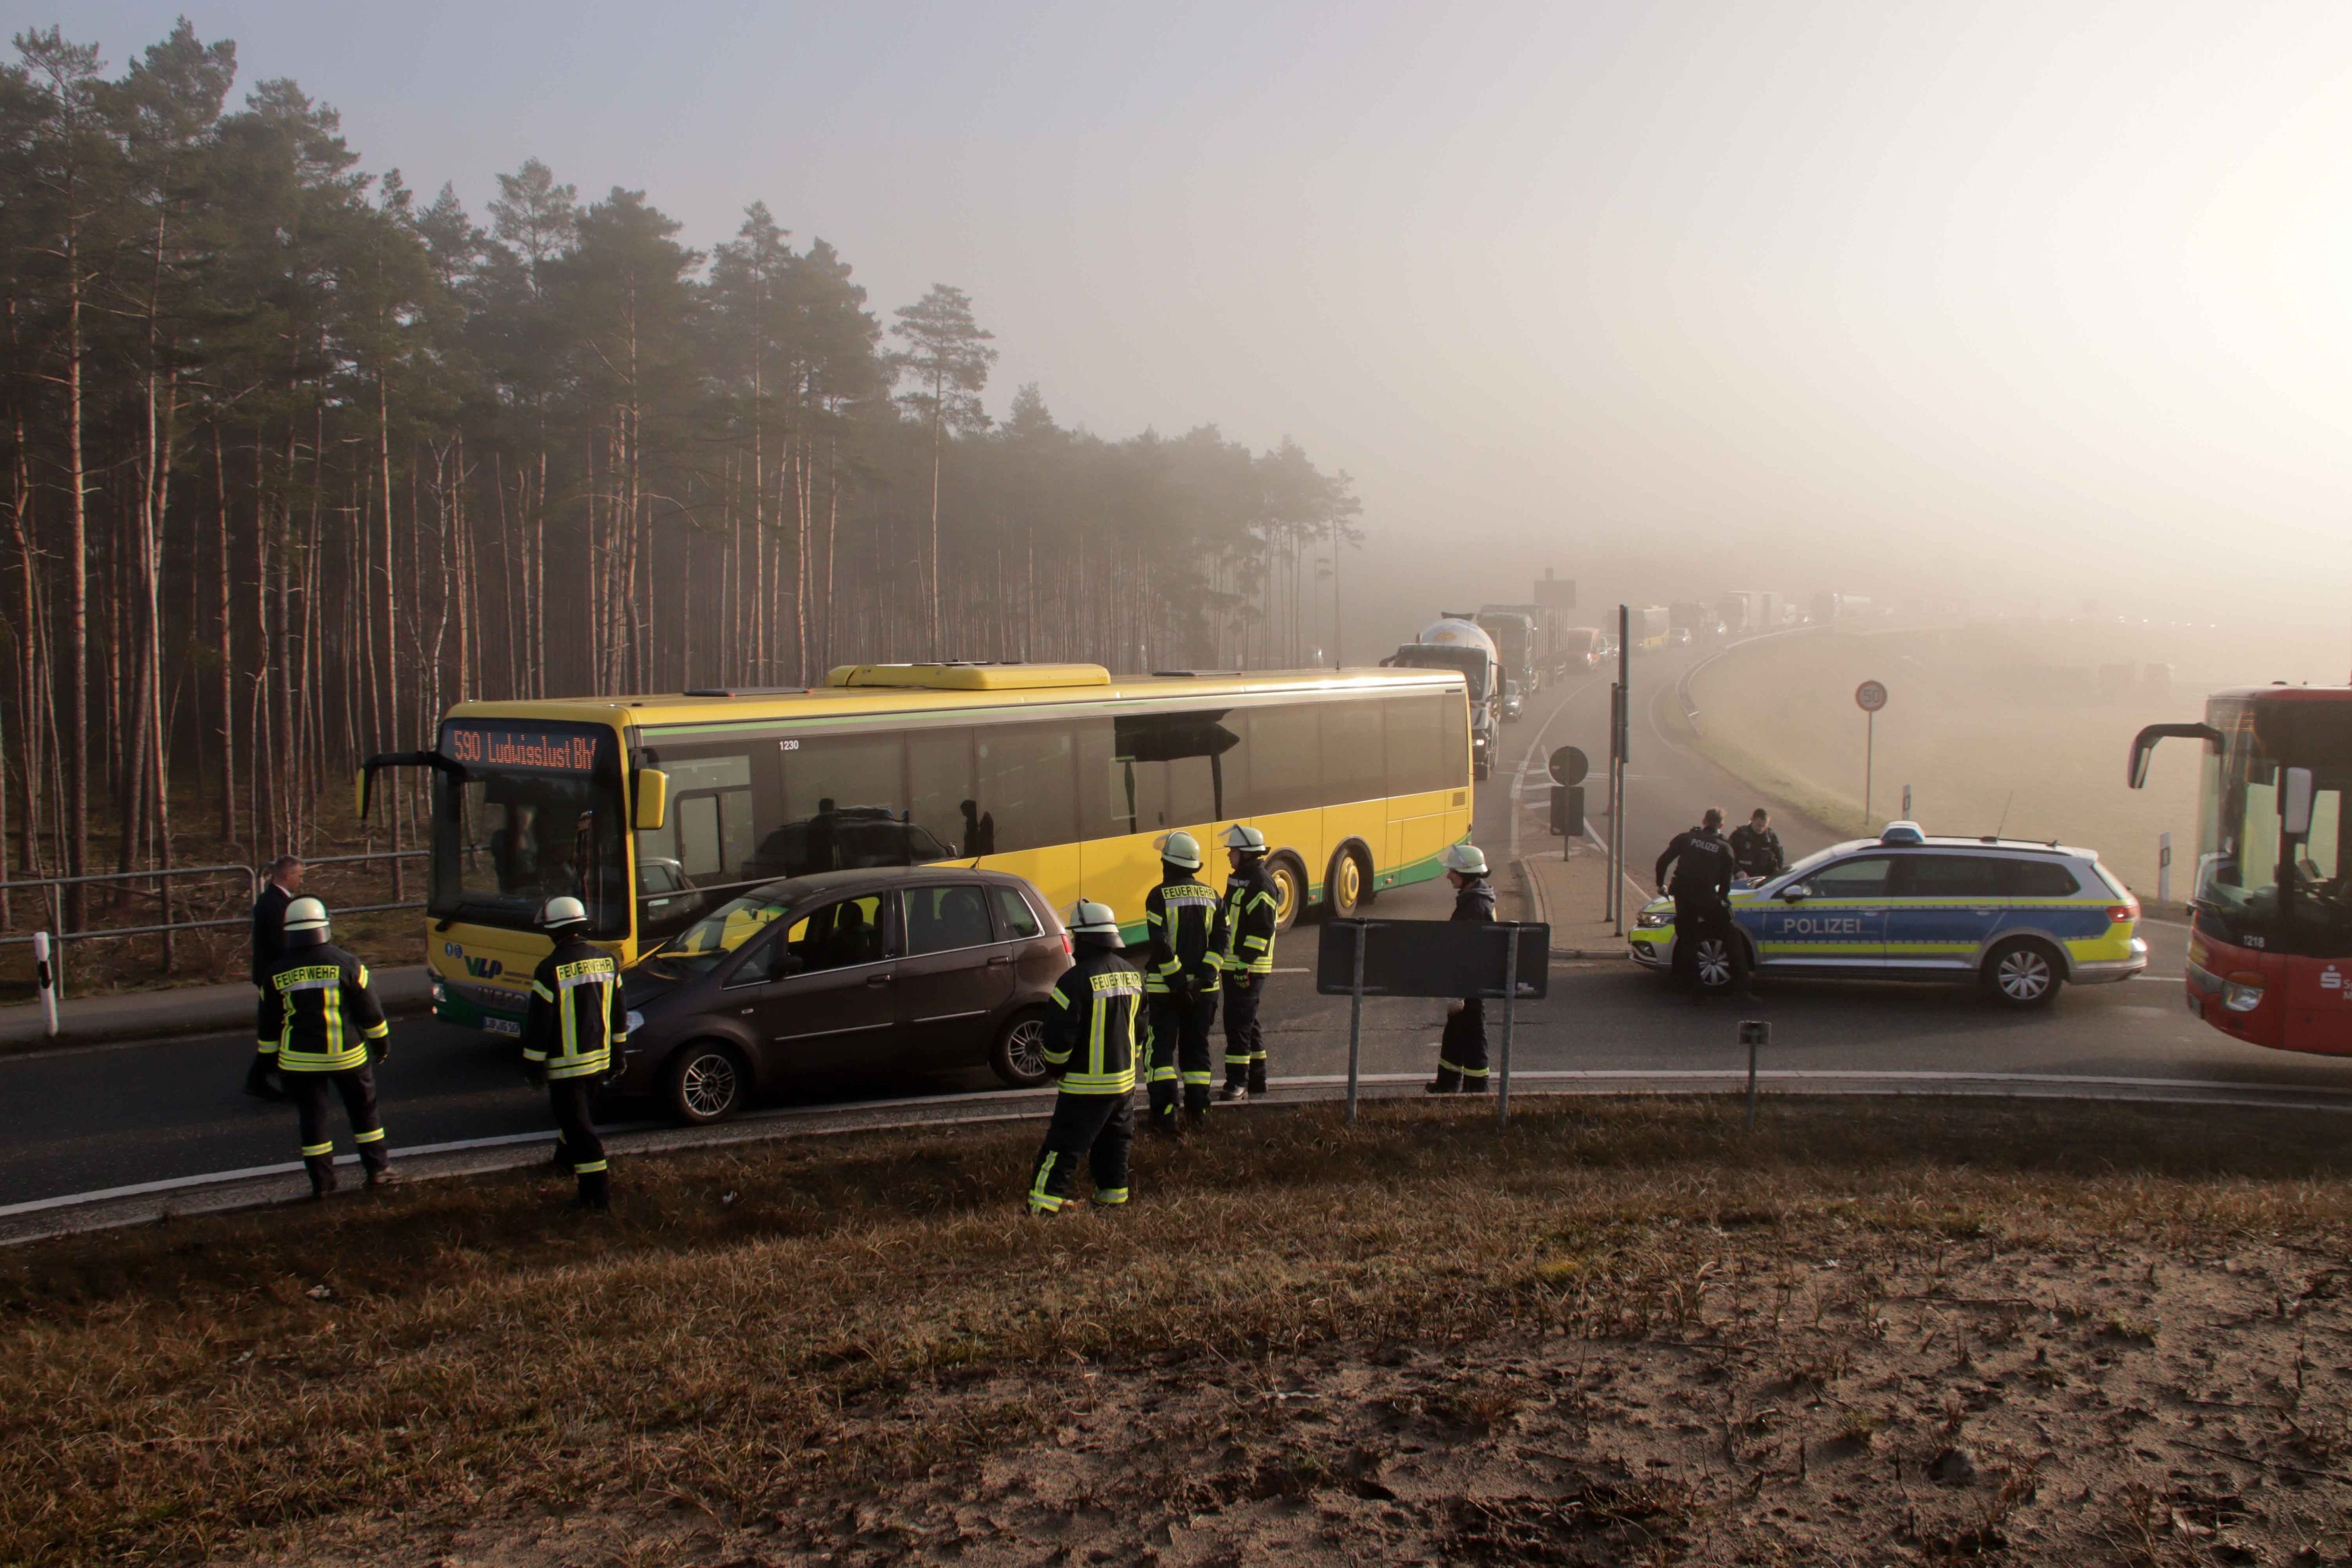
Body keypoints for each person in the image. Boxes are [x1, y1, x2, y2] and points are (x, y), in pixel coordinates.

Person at [253, 897, 397, 1196]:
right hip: (348, 1057)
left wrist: (267, 1062)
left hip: (299, 1063)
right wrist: (381, 1046)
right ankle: (379, 1171)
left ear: (288, 931)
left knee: (313, 1120)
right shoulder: (348, 964)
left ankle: (322, 1185)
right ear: (325, 927)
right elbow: (371, 1014)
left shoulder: (274, 973)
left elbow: (269, 1027)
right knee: (364, 1114)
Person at [1027, 900, 1140, 1214]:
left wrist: (1057, 1068)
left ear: (1088, 939)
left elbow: (1059, 1038)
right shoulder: (1133, 975)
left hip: (1084, 1088)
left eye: (1077, 936)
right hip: (1124, 1085)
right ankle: (1111, 1203)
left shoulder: (1073, 981)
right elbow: (1140, 1031)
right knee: (1115, 1146)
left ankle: (1041, 1208)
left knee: (1063, 1149)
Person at [521, 895, 627, 1212]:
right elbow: (620, 1013)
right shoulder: (607, 962)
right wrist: (618, 1054)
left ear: (554, 932)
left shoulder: (548, 970)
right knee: (577, 1120)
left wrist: (533, 1066)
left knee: (582, 1134)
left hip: (566, 1070)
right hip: (600, 1062)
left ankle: (595, 1198)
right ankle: (563, 1163)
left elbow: (539, 1025)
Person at [1141, 831, 1221, 1135]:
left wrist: (1178, 985)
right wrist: (1202, 980)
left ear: (1169, 865)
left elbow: (1160, 944)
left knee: (1160, 1053)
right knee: (1196, 1050)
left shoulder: (1157, 896)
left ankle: (1164, 1116)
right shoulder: (1214, 896)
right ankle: (1198, 1112)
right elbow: (1221, 942)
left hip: (1166, 992)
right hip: (1204, 993)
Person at [1214, 824, 1280, 1102]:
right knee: (1249, 1023)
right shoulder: (1242, 879)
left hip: (1247, 968)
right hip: (1236, 966)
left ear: (1247, 854)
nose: (1230, 855)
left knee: (1237, 1025)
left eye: (1234, 851)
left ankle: (1237, 1083)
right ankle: (1258, 1079)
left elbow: (1262, 929)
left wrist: (1244, 964)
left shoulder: (1260, 883)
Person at [1656, 808, 1748, 1001]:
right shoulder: (1725, 848)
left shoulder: (1687, 838)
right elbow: (1725, 883)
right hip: (1706, 898)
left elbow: (1663, 861)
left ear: (1704, 820)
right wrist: (1724, 902)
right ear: (1721, 826)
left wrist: (1660, 884)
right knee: (1731, 935)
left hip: (1683, 895)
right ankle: (1742, 990)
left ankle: (1696, 990)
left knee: (1688, 939)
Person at [1426, 842, 1497, 1093]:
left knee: (1474, 1036)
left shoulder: (1474, 906)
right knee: (1456, 1034)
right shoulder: (1474, 898)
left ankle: (1477, 1089)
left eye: (1452, 872)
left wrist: (1459, 993)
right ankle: (1447, 1083)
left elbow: (1466, 952)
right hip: (1468, 982)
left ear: (1465, 874)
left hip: (1471, 984)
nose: (1448, 876)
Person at [243, 854, 303, 1101]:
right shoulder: (276, 905)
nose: (301, 881)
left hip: (272, 976)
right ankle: (266, 1079)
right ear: (288, 876)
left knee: (278, 1030)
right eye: (299, 876)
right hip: (277, 978)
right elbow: (282, 945)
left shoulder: (273, 901)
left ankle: (266, 1078)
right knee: (282, 1029)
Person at [1730, 808, 1785, 880]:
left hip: (1764, 880)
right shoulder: (1739, 835)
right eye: (1759, 825)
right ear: (1752, 820)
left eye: (1764, 826)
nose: (1761, 829)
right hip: (1743, 879)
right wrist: (1738, 871)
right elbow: (1728, 856)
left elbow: (1780, 856)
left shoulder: (1771, 836)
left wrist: (1777, 874)